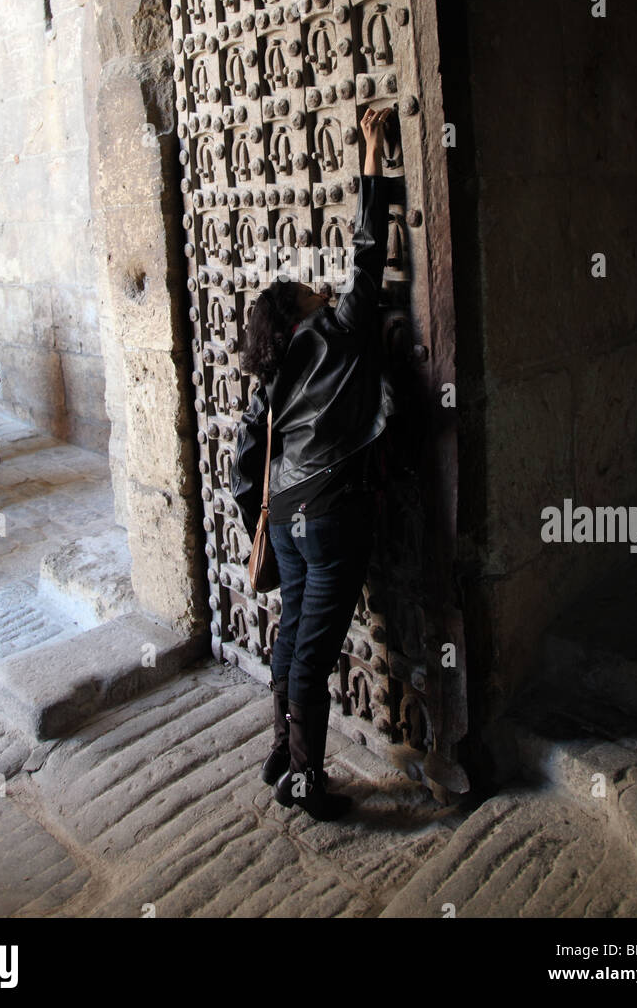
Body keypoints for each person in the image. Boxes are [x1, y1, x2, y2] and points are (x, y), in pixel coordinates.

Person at [231, 106, 396, 821]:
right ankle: (304, 778)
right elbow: (367, 245)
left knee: (294, 631)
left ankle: (279, 749)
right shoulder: (341, 326)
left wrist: (254, 518)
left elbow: (245, 457)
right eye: (302, 287)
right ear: (297, 310)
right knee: (314, 651)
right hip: (332, 514)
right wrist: (372, 152)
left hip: (292, 514)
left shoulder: (272, 375)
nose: (313, 283)